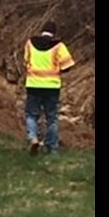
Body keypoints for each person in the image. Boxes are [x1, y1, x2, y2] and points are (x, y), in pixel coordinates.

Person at [23, 21, 75, 155]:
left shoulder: (30, 42)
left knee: (31, 115)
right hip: (51, 87)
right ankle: (51, 147)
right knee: (51, 117)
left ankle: (33, 137)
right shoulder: (58, 46)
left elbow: (26, 61)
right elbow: (67, 66)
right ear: (54, 33)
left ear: (42, 31)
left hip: (33, 85)